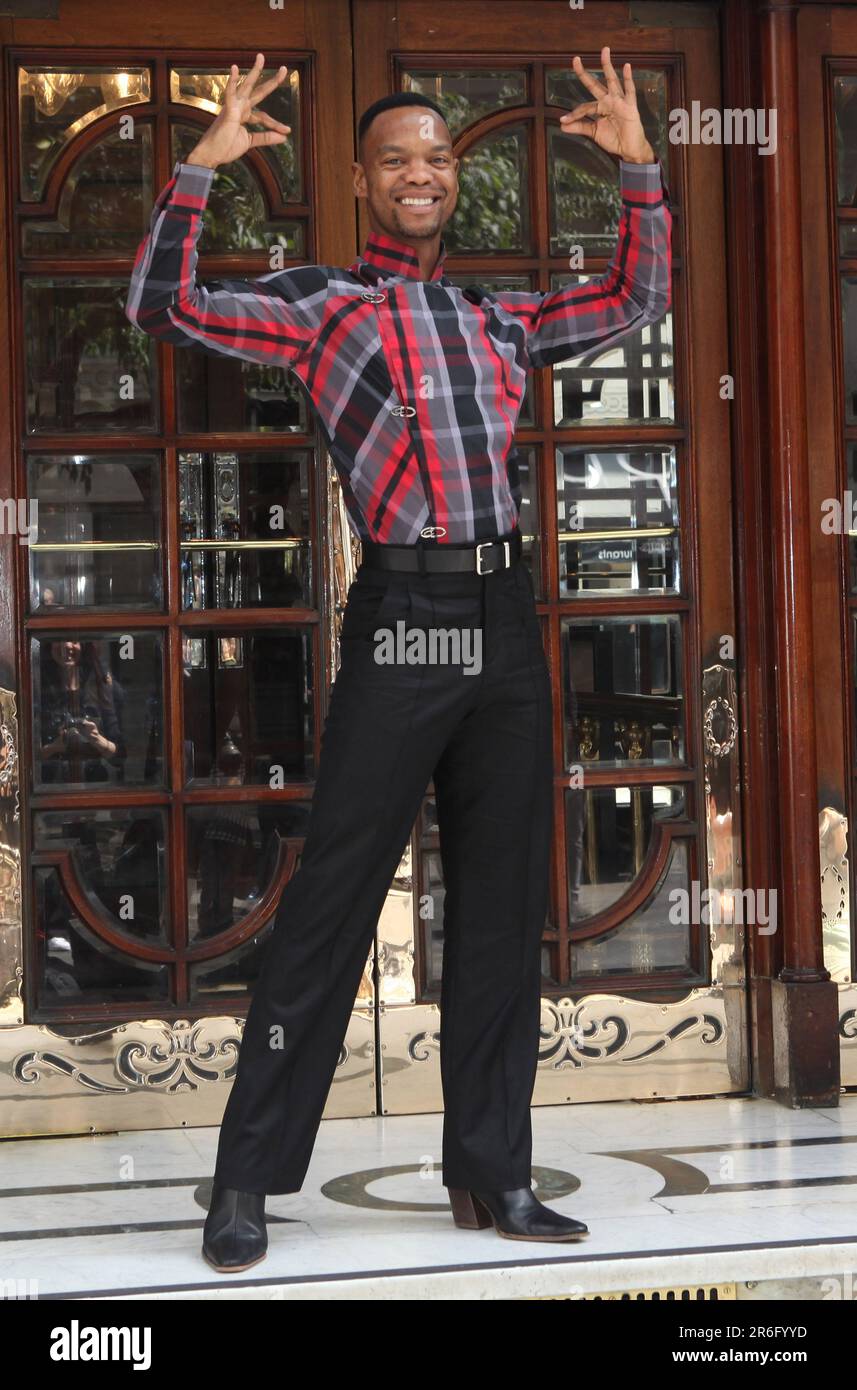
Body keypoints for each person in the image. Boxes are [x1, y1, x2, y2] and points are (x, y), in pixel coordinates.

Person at [125, 46, 671, 1272]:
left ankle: (492, 1170)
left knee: (497, 910)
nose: (421, 171)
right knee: (329, 905)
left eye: (435, 156)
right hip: (401, 617)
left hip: (503, 619)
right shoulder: (323, 305)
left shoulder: (500, 313)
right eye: (396, 159)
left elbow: (634, 300)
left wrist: (639, 170)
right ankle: (246, 1182)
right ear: (364, 183)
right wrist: (198, 174)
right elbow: (164, 307)